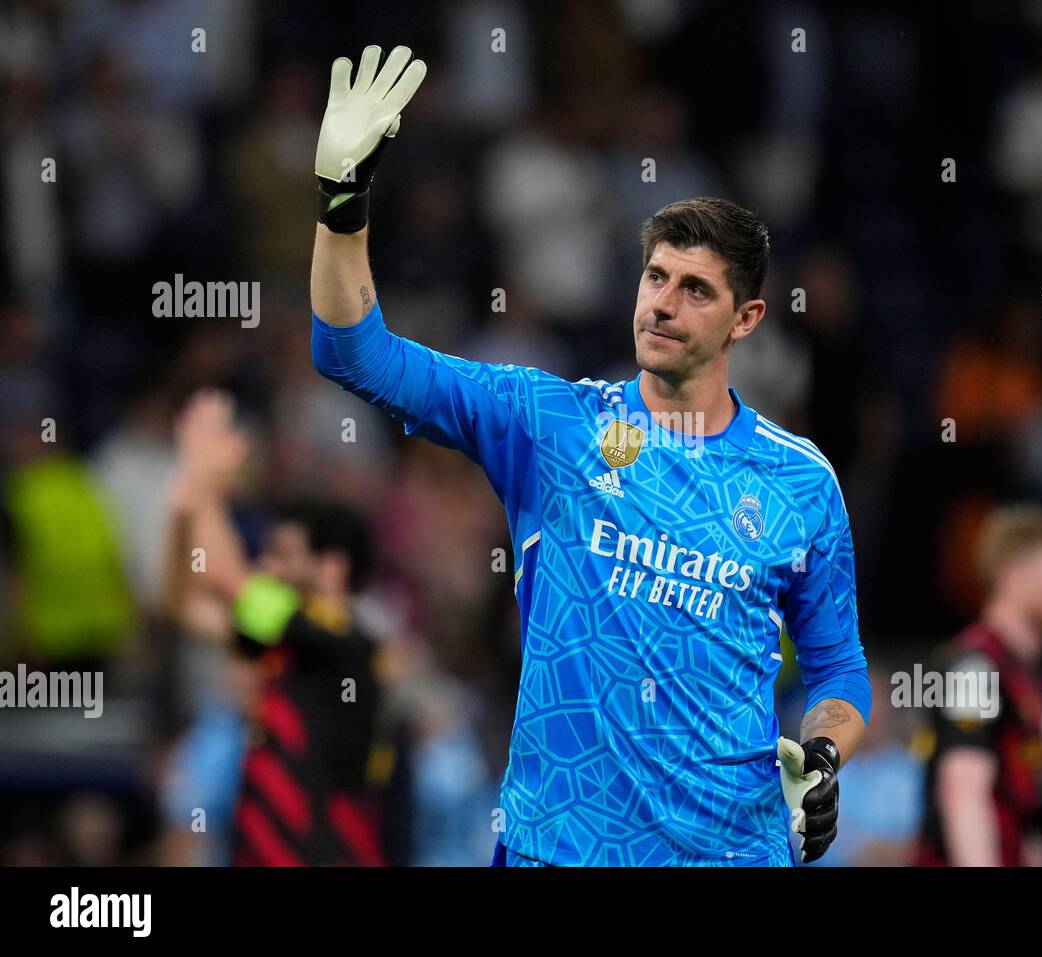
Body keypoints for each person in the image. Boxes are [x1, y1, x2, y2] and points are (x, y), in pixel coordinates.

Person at [309, 46, 870, 866]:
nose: (664, 304)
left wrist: (821, 760)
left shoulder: (800, 479)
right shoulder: (550, 425)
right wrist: (341, 204)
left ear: (746, 319)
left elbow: (839, 671)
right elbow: (355, 354)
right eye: (655, 277)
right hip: (560, 848)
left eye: (696, 289)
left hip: (731, 852)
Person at [164, 391, 394, 866]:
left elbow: (226, 579)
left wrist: (204, 478)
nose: (267, 567)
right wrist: (188, 505)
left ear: (331, 569)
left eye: (284, 556)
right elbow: (181, 601)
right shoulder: (286, 644)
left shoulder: (347, 645)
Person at [914, 505, 1042, 866]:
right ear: (1014, 578)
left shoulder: (1026, 672)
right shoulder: (975, 666)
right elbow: (963, 792)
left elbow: (1018, 818)